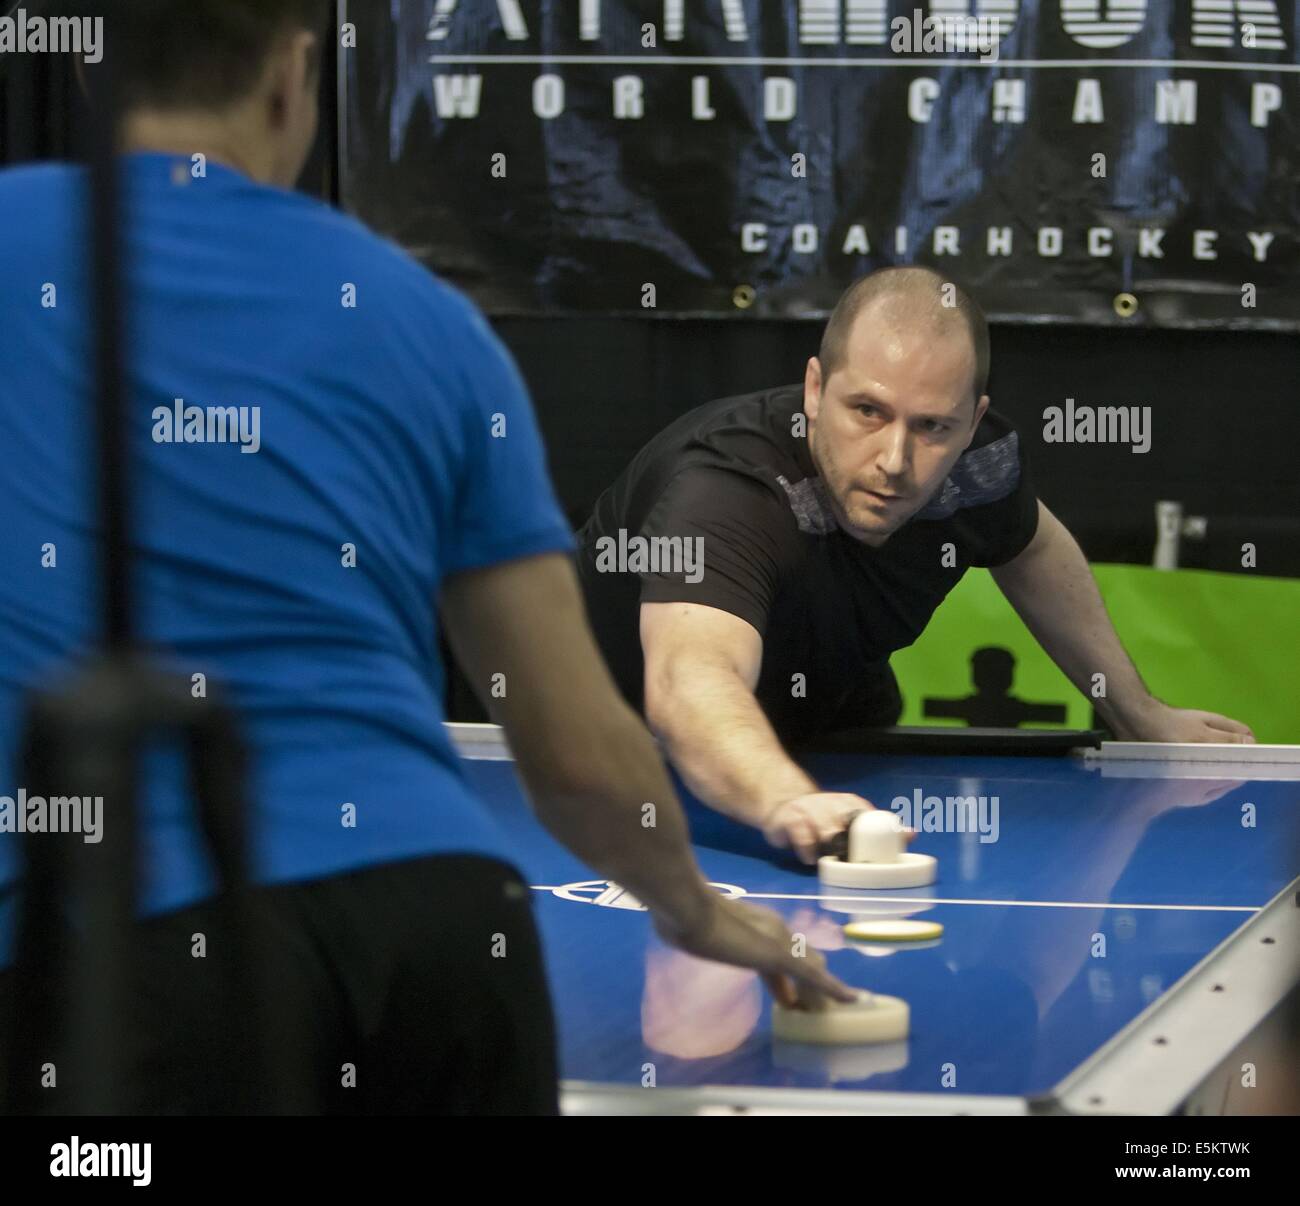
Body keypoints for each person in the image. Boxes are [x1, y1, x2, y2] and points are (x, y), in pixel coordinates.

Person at [0, 0, 852, 1116]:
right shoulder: (427, 319)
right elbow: (575, 744)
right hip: (441, 930)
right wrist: (690, 908)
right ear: (291, 81)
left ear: (83, 75)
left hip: (131, 944)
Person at [576, 266, 1255, 865]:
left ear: (972, 419)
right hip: (617, 751)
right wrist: (787, 800)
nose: (895, 460)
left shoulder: (977, 465)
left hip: (829, 723)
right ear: (815, 389)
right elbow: (690, 679)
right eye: (866, 411)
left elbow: (1035, 547)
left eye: (933, 427)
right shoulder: (728, 492)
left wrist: (1136, 711)